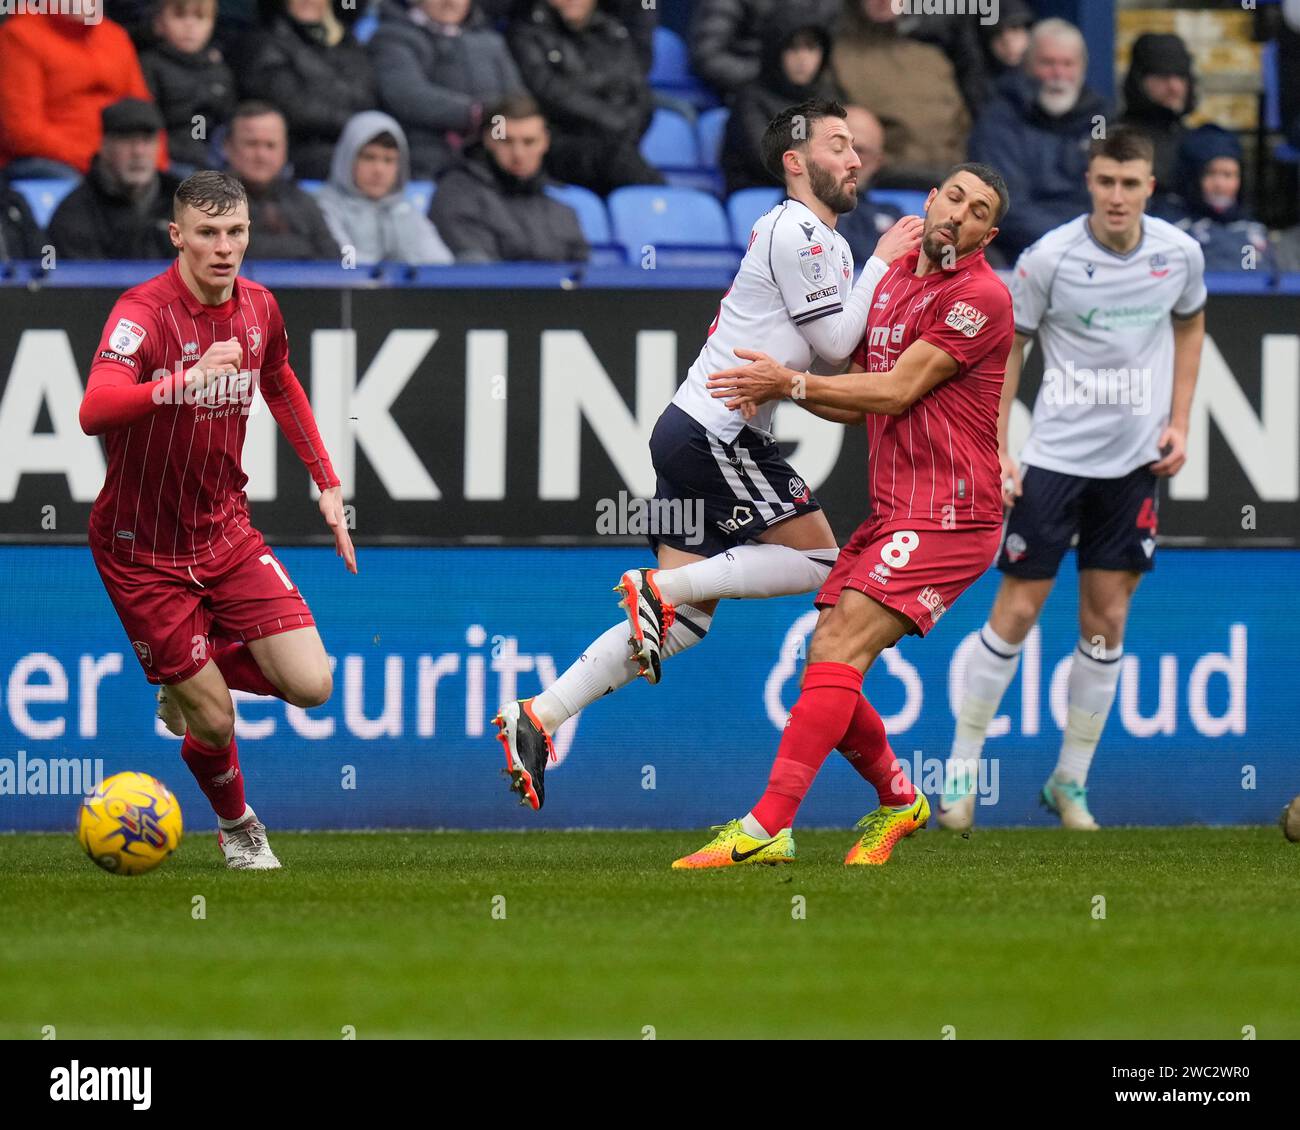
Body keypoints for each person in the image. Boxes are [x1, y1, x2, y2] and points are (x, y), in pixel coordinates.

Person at [493, 100, 922, 812]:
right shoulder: (804, 234)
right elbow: (837, 348)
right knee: (819, 563)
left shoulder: (816, 238)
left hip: (690, 430)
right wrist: (885, 264)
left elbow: (833, 346)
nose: (855, 159)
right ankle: (657, 590)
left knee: (684, 626)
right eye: (840, 145)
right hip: (714, 435)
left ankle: (539, 716)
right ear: (796, 160)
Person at [681, 162, 1013, 869]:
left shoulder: (980, 297)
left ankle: (768, 824)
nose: (959, 213)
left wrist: (788, 382)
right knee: (824, 653)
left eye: (977, 210)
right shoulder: (891, 283)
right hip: (899, 509)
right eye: (952, 197)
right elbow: (847, 391)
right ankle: (899, 801)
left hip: (953, 513)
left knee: (837, 650)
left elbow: (893, 393)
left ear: (989, 232)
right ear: (929, 201)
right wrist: (782, 385)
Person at [78, 169, 357, 870]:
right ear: (178, 236)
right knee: (216, 718)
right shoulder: (142, 313)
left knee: (313, 685)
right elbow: (93, 410)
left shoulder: (260, 308)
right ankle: (239, 830)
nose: (223, 247)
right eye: (207, 233)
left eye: (235, 232)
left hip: (224, 531)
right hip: (140, 548)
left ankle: (190, 673)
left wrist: (325, 480)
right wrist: (182, 381)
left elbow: (281, 380)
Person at [937, 128, 1206, 833]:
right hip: (1054, 458)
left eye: (1131, 183)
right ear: (1090, 182)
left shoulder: (1179, 255)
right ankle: (962, 772)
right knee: (1018, 612)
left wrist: (1179, 418)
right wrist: (998, 447)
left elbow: (1190, 323)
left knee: (1106, 620)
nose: (1117, 196)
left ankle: (1069, 783)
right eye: (1106, 182)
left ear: (1150, 187)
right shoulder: (1049, 258)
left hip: (1132, 464)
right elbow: (1008, 349)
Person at [968, 18, 1110, 261]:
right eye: (1048, 63)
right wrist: (1072, 243)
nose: (1058, 74)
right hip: (1021, 254)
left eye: (1068, 64)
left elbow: (1112, 195)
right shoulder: (999, 120)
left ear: (1083, 69)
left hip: (1097, 251)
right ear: (1027, 65)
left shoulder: (1101, 119)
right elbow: (1003, 206)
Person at [508, 0, 663, 195]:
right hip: (560, 141)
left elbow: (637, 88)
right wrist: (610, 119)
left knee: (621, 157)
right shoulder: (527, 33)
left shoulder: (612, 30)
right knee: (619, 160)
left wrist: (626, 122)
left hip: (616, 141)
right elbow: (549, 92)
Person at [369, 0, 525, 181]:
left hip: (493, 158)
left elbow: (517, 101)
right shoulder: (392, 36)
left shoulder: (492, 41)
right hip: (429, 160)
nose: (451, 2)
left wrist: (497, 121)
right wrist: (476, 113)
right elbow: (405, 95)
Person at [0, 8, 163, 179]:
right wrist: (97, 160)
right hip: (50, 161)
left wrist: (157, 163)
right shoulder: (19, 35)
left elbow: (144, 113)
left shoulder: (115, 35)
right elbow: (22, 133)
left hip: (116, 160)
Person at [429, 94, 587, 263]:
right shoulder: (457, 195)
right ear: (489, 139)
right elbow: (480, 277)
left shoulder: (560, 209)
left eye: (529, 142)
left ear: (545, 143)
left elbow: (583, 273)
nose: (518, 154)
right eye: (507, 141)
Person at [832, 0, 969, 191]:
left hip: (950, 186)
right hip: (883, 188)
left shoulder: (932, 58)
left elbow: (962, 125)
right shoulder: (836, 58)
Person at [237, 0, 377, 181]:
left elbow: (367, 95)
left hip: (347, 145)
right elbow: (293, 108)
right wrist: (356, 125)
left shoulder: (347, 42)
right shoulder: (260, 42)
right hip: (297, 151)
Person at [721, 11, 837, 195]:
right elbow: (765, 160)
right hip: (761, 198)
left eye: (811, 48)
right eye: (792, 48)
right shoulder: (749, 99)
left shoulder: (829, 98)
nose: (802, 58)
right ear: (774, 51)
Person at [48, 100, 182, 261]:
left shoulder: (184, 204)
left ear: (159, 146)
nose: (138, 152)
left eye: (147, 140)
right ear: (104, 146)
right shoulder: (75, 214)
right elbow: (83, 283)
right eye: (126, 140)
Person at [315, 111, 454, 264]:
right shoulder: (324, 209)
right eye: (369, 157)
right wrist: (389, 275)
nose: (379, 170)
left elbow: (441, 264)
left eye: (389, 160)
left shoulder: (406, 210)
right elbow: (347, 261)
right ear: (347, 159)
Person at [222, 102, 340, 260]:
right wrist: (300, 247)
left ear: (284, 150)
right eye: (251, 144)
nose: (261, 155)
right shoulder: (203, 200)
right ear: (228, 147)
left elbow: (333, 258)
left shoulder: (303, 201)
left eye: (270, 146)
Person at [139, 0, 236, 174]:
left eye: (200, 17)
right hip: (169, 162)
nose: (190, 25)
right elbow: (147, 122)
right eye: (180, 15)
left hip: (212, 160)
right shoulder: (149, 66)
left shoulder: (219, 70)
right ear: (159, 23)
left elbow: (226, 121)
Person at [1161, 125, 1273, 275]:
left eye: (1228, 175)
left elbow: (1255, 279)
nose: (1220, 185)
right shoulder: (1168, 229)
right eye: (1211, 173)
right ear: (1191, 178)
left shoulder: (1252, 231)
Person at [689, 0, 839, 101]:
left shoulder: (829, 5)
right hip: (747, 94)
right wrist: (773, 78)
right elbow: (709, 56)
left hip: (810, 95)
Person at [1120, 32, 1197, 195]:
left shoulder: (1196, 140)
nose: (1174, 87)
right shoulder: (1115, 139)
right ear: (1140, 80)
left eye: (1181, 76)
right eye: (1163, 76)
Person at [835, 104, 902, 268]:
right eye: (840, 147)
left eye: (860, 150)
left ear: (877, 162)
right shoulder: (799, 204)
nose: (851, 159)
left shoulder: (892, 214)